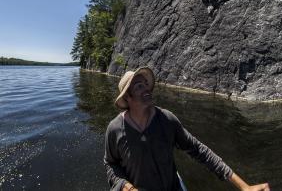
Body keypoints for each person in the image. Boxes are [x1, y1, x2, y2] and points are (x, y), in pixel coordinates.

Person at [104, 67, 269, 191]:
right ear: (127, 97)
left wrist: (244, 186)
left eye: (146, 84)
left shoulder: (167, 120)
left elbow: (200, 150)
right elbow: (110, 163)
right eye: (139, 86)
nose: (147, 88)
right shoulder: (115, 129)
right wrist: (123, 185)